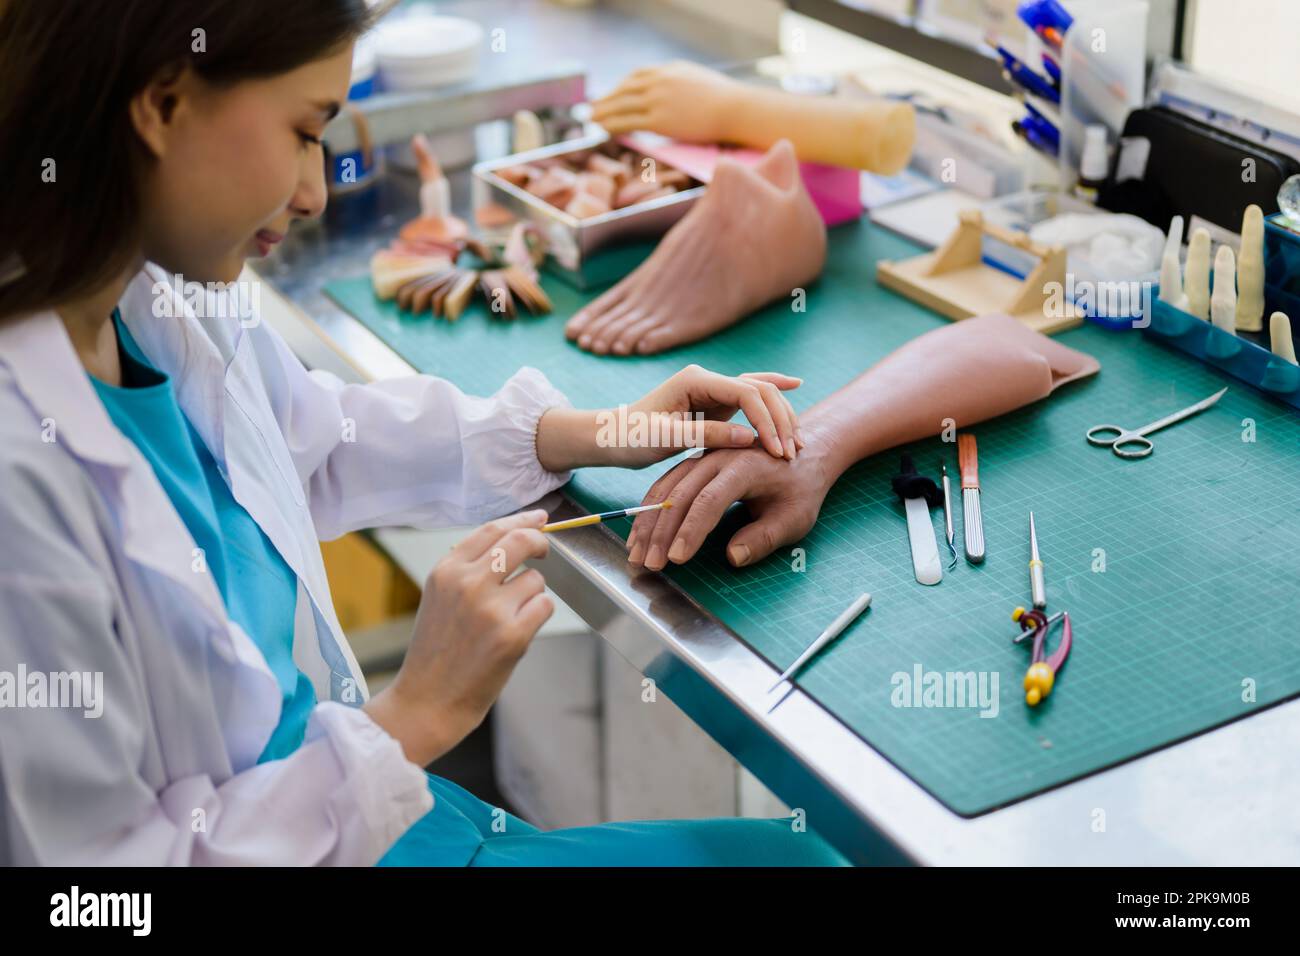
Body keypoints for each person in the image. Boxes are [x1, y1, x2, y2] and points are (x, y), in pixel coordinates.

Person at [0, 0, 846, 866]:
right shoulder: (20, 479)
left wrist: (593, 432)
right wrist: (419, 712)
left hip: (372, 803)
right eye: (302, 130)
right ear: (162, 102)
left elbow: (312, 441)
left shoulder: (151, 295)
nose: (314, 191)